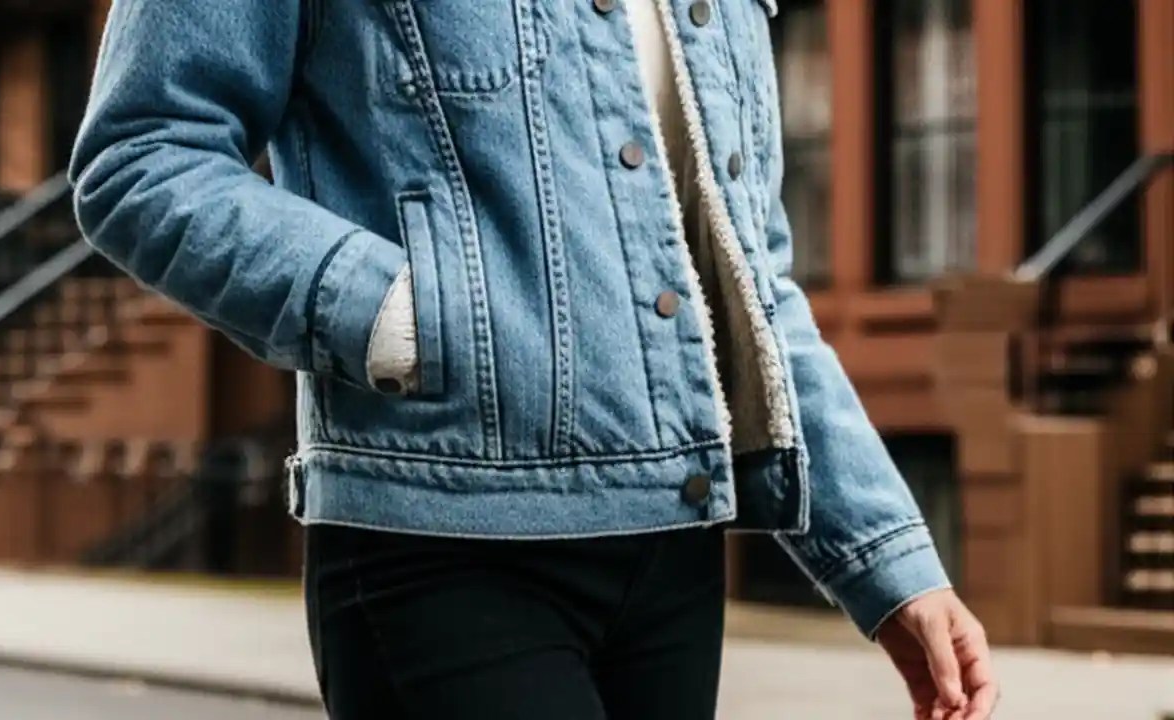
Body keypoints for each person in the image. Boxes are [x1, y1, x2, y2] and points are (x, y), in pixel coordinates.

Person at [70, 0, 999, 718]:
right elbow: (143, 155)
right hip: (441, 546)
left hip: (672, 552)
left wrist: (889, 562)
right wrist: (399, 314)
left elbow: (746, 276)